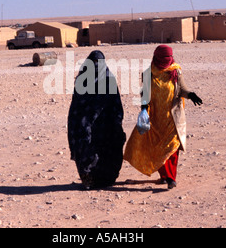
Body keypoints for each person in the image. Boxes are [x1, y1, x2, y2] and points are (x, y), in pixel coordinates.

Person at [124, 45, 202, 190]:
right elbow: (145, 95)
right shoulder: (149, 73)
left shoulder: (175, 71)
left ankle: (171, 178)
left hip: (173, 118)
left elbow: (182, 89)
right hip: (155, 118)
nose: (168, 60)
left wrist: (190, 94)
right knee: (158, 148)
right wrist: (143, 110)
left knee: (172, 147)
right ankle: (164, 176)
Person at [68, 51, 127, 189]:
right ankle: (89, 179)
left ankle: (107, 178)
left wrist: (117, 120)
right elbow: (77, 103)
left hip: (105, 123)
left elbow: (115, 102)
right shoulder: (83, 79)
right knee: (85, 148)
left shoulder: (108, 79)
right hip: (86, 124)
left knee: (110, 148)